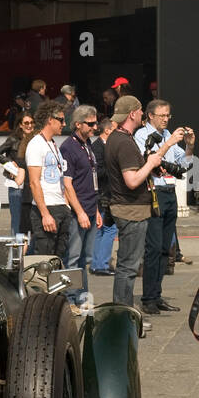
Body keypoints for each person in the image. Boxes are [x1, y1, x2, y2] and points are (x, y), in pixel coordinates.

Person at [105, 94, 185, 309]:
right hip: (131, 210)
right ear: (133, 113)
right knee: (129, 267)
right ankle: (124, 314)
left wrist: (151, 165)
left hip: (134, 207)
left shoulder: (119, 138)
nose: (142, 114)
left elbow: (181, 164)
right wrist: (150, 163)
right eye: (140, 111)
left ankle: (130, 310)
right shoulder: (124, 141)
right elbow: (132, 181)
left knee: (131, 264)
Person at [134, 99, 194, 316]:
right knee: (153, 246)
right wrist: (168, 144)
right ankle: (148, 297)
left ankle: (157, 295)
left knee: (164, 249)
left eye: (168, 115)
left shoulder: (168, 134)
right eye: (162, 115)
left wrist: (189, 144)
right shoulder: (142, 135)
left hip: (169, 192)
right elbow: (147, 160)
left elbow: (185, 165)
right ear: (150, 115)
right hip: (154, 192)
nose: (166, 119)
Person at [60, 105, 102, 313]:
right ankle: (70, 298)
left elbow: (91, 179)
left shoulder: (88, 145)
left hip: (91, 207)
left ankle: (83, 296)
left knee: (86, 257)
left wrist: (96, 211)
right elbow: (67, 184)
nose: (95, 127)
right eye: (91, 123)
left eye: (95, 122)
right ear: (78, 124)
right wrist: (80, 212)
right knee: (74, 257)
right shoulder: (68, 147)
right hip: (80, 211)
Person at [25, 104, 72, 259]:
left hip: (60, 207)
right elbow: (34, 182)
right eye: (61, 120)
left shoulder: (52, 144)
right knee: (44, 260)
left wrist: (66, 205)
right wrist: (45, 214)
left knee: (58, 259)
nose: (64, 124)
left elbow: (60, 176)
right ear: (50, 120)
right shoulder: (35, 144)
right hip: (47, 209)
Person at [0, 112, 34, 236]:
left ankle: (30, 252)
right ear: (20, 125)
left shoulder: (36, 140)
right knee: (17, 220)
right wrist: (9, 163)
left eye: (31, 122)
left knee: (31, 220)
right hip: (16, 185)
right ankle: (16, 250)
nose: (29, 125)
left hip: (31, 184)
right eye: (26, 123)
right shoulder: (13, 139)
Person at [89, 114, 119, 274]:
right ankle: (102, 264)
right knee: (109, 229)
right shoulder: (98, 148)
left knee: (101, 229)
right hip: (103, 194)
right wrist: (114, 169)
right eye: (114, 130)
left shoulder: (102, 146)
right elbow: (97, 172)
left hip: (103, 193)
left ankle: (97, 263)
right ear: (107, 130)